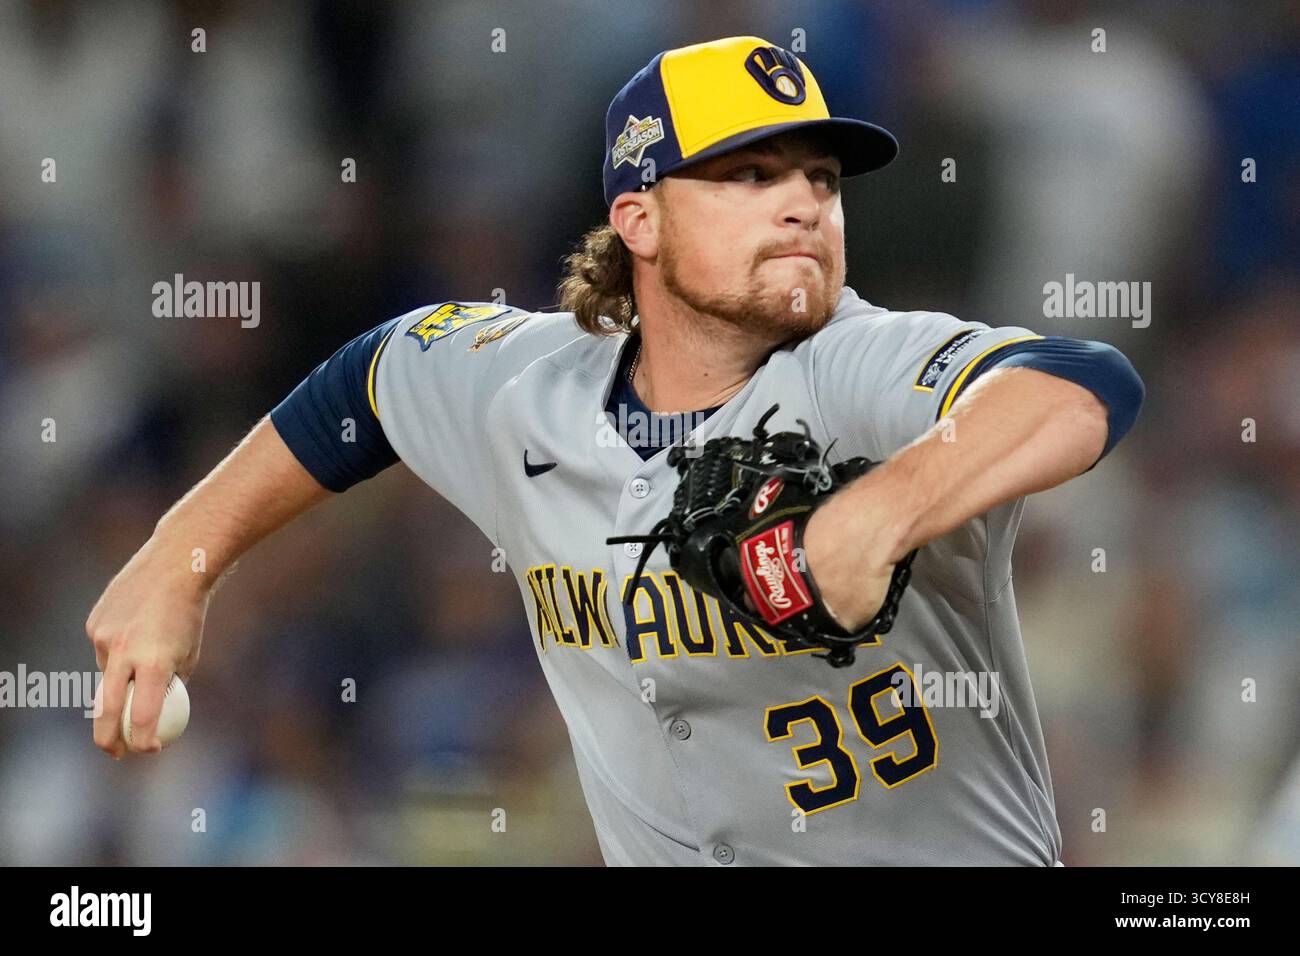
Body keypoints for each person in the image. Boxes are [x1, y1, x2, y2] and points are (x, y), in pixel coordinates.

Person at [87, 35, 1144, 865]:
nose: (801, 204)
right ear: (637, 218)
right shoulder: (524, 386)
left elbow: (1080, 384)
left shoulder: (860, 367)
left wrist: (882, 505)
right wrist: (177, 560)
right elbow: (367, 380)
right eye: (747, 173)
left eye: (820, 179)